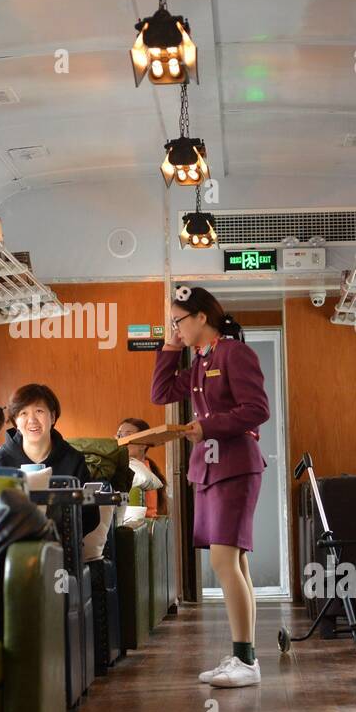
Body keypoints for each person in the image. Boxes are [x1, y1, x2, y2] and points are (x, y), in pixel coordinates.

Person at [151, 285, 269, 688]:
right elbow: (161, 393)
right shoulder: (201, 362)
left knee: (223, 561)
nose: (176, 329)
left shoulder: (235, 354)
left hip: (236, 466)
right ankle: (244, 655)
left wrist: (207, 427)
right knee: (236, 564)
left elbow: (257, 410)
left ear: (202, 317)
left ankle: (246, 661)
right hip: (211, 470)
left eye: (179, 321)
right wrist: (168, 347)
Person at [0, 383, 97, 533]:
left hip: (63, 545)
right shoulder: (0, 461)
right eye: (23, 413)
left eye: (39, 411)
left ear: (52, 417)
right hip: (14, 545)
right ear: (16, 422)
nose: (32, 419)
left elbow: (91, 515)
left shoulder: (74, 459)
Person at [115, 417, 166, 515]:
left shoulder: (142, 475)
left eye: (128, 435)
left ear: (143, 444)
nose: (121, 440)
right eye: (119, 435)